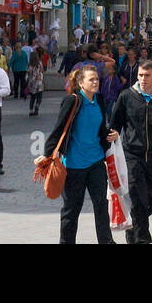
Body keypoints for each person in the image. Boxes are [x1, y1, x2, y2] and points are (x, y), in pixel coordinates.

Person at [40, 66, 118, 244]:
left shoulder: (99, 99)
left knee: (101, 205)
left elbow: (99, 128)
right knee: (71, 209)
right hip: (74, 165)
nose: (96, 82)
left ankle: (106, 241)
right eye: (91, 79)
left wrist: (111, 135)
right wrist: (46, 154)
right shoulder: (72, 101)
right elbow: (59, 129)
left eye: (97, 78)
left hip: (96, 162)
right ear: (81, 83)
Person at [109, 59, 152, 245]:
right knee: (138, 198)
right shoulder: (127, 96)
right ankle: (142, 239)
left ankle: (132, 227)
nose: (143, 79)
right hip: (131, 154)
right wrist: (109, 152)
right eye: (140, 75)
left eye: (147, 75)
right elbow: (115, 125)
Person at [25, 50, 45, 117]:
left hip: (32, 83)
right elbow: (42, 71)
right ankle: (37, 106)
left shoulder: (29, 65)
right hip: (39, 82)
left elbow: (28, 73)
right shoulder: (39, 63)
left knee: (32, 97)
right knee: (39, 96)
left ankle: (31, 110)